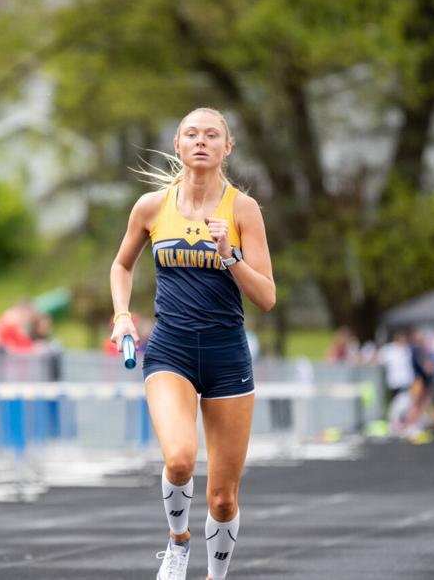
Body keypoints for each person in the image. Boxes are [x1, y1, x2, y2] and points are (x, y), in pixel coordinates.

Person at [109, 108, 275, 580]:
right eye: (191, 134)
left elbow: (266, 297)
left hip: (227, 357)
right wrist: (122, 314)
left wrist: (231, 256)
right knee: (180, 460)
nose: (201, 141)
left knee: (223, 498)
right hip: (170, 351)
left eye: (212, 135)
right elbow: (122, 266)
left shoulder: (243, 210)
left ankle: (215, 577)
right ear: (178, 145)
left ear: (228, 147)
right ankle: (178, 542)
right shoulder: (150, 207)